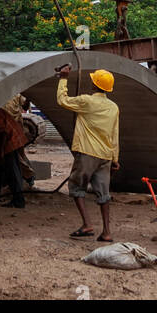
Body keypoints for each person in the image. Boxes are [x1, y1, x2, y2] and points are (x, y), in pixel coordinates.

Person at [55, 63, 119, 242]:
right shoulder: (114, 107)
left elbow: (62, 100)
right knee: (103, 193)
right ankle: (106, 231)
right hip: (105, 156)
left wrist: (63, 78)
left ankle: (87, 224)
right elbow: (115, 133)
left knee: (76, 188)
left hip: (87, 153)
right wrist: (115, 158)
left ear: (95, 85)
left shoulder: (86, 101)